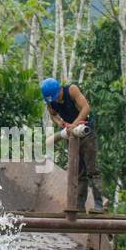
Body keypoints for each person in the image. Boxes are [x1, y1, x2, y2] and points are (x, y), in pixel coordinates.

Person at [41, 77, 105, 213]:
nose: (55, 101)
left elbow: (86, 108)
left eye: (55, 97)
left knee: (92, 169)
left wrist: (74, 124)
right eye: (51, 99)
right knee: (78, 171)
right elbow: (53, 115)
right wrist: (61, 123)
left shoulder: (71, 90)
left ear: (59, 90)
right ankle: (79, 206)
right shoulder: (51, 101)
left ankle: (99, 205)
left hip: (86, 132)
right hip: (71, 134)